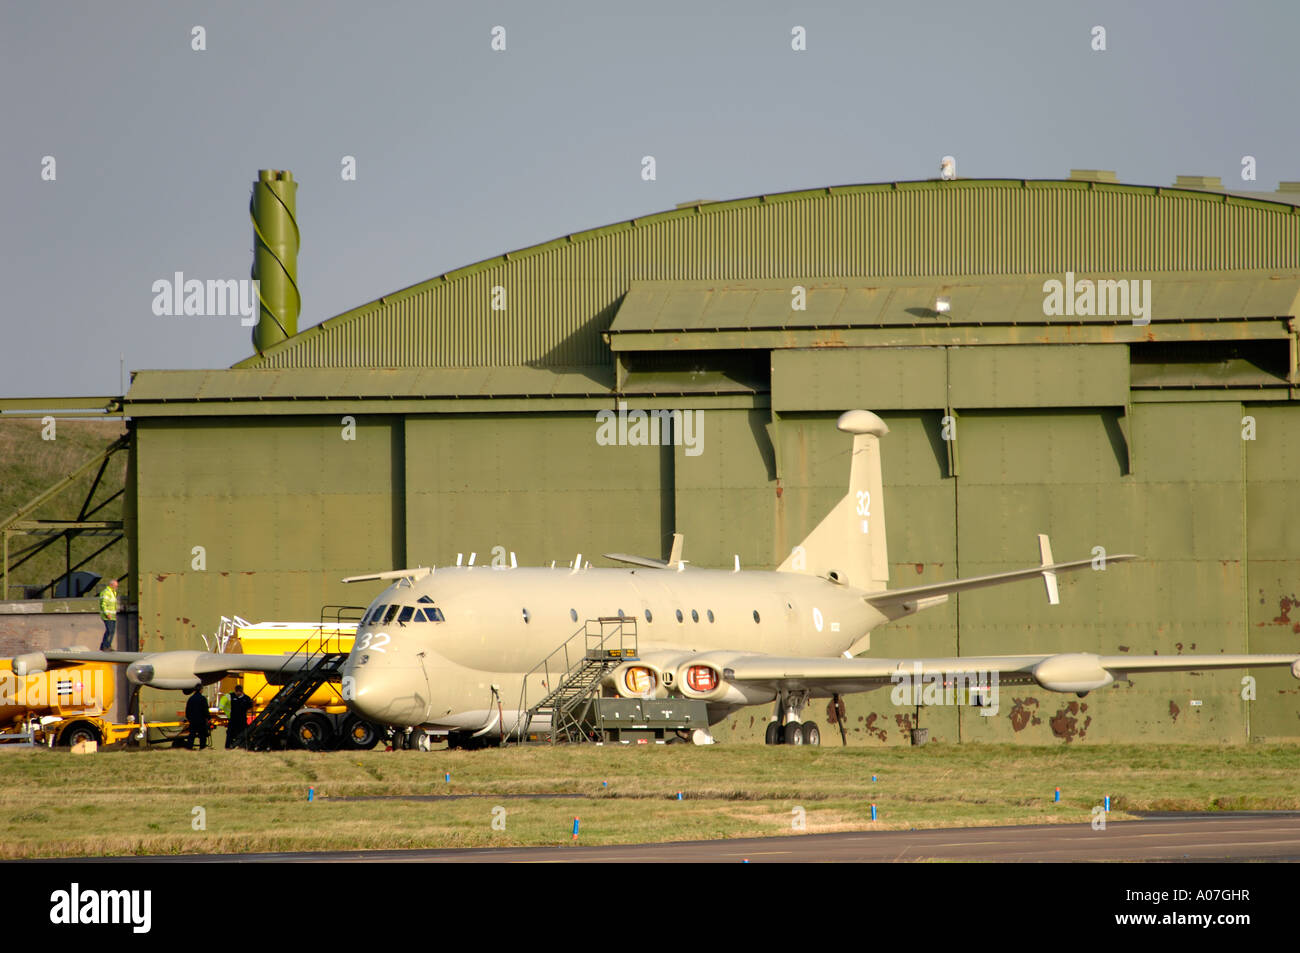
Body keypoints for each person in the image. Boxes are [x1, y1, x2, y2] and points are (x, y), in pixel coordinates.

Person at [225, 684, 254, 749]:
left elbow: (250, 705)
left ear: (241, 691)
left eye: (239, 692)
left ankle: (245, 746)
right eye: (236, 691)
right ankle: (228, 747)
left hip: (242, 719)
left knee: (244, 733)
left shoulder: (246, 698)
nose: (237, 693)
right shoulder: (231, 696)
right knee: (229, 734)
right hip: (233, 719)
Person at [97, 579, 119, 651]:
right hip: (107, 616)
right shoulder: (106, 592)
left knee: (112, 631)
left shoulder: (113, 592)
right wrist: (107, 613)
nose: (116, 587)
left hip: (112, 616)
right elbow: (103, 604)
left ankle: (107, 645)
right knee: (109, 630)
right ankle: (105, 646)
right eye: (116, 586)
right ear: (111, 585)